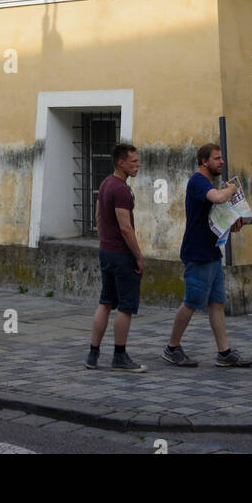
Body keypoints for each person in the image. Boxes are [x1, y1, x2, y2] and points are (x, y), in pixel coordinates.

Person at [163, 142, 252, 368]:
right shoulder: (198, 182)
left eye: (221, 158)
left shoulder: (208, 183)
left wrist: (232, 223)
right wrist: (230, 190)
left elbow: (215, 214)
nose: (221, 161)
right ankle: (172, 348)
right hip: (198, 253)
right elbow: (217, 198)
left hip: (212, 251)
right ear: (204, 161)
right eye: (216, 158)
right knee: (191, 302)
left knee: (217, 303)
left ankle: (224, 352)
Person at [86, 141, 146, 372]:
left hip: (106, 251)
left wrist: (104, 241)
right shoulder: (121, 188)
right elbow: (126, 228)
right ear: (120, 163)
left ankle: (93, 353)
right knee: (125, 307)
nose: (137, 165)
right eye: (133, 162)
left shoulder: (105, 184)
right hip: (122, 255)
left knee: (105, 301)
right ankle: (119, 356)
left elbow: (99, 216)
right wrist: (138, 257)